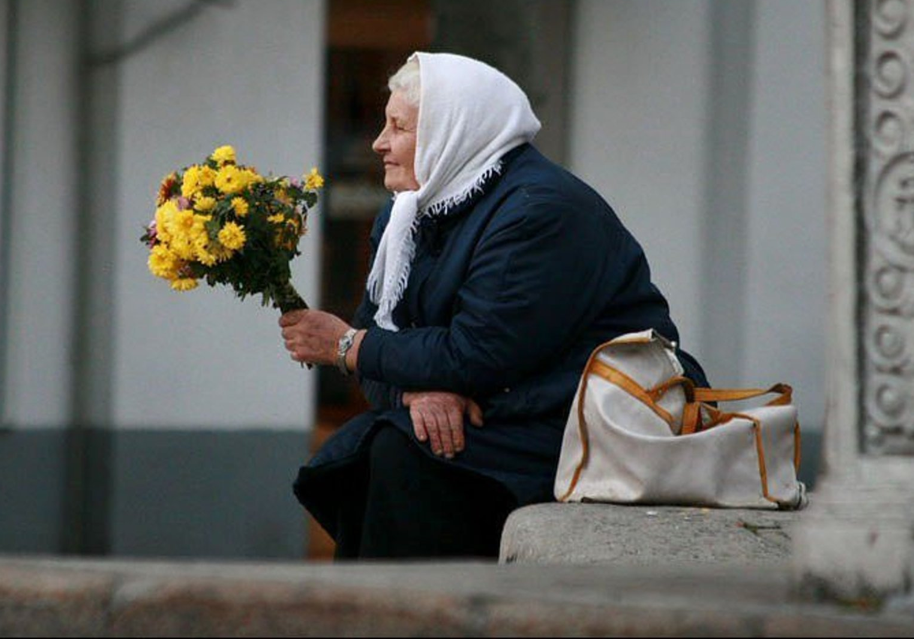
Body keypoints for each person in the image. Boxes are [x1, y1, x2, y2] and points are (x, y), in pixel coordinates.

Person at [280, 51, 708, 560]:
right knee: (381, 448)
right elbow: (386, 346)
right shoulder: (406, 214)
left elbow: (475, 354)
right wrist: (415, 393)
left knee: (396, 455)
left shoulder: (537, 210)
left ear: (450, 131)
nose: (378, 142)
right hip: (505, 409)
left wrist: (349, 347)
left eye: (398, 127)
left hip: (587, 420)